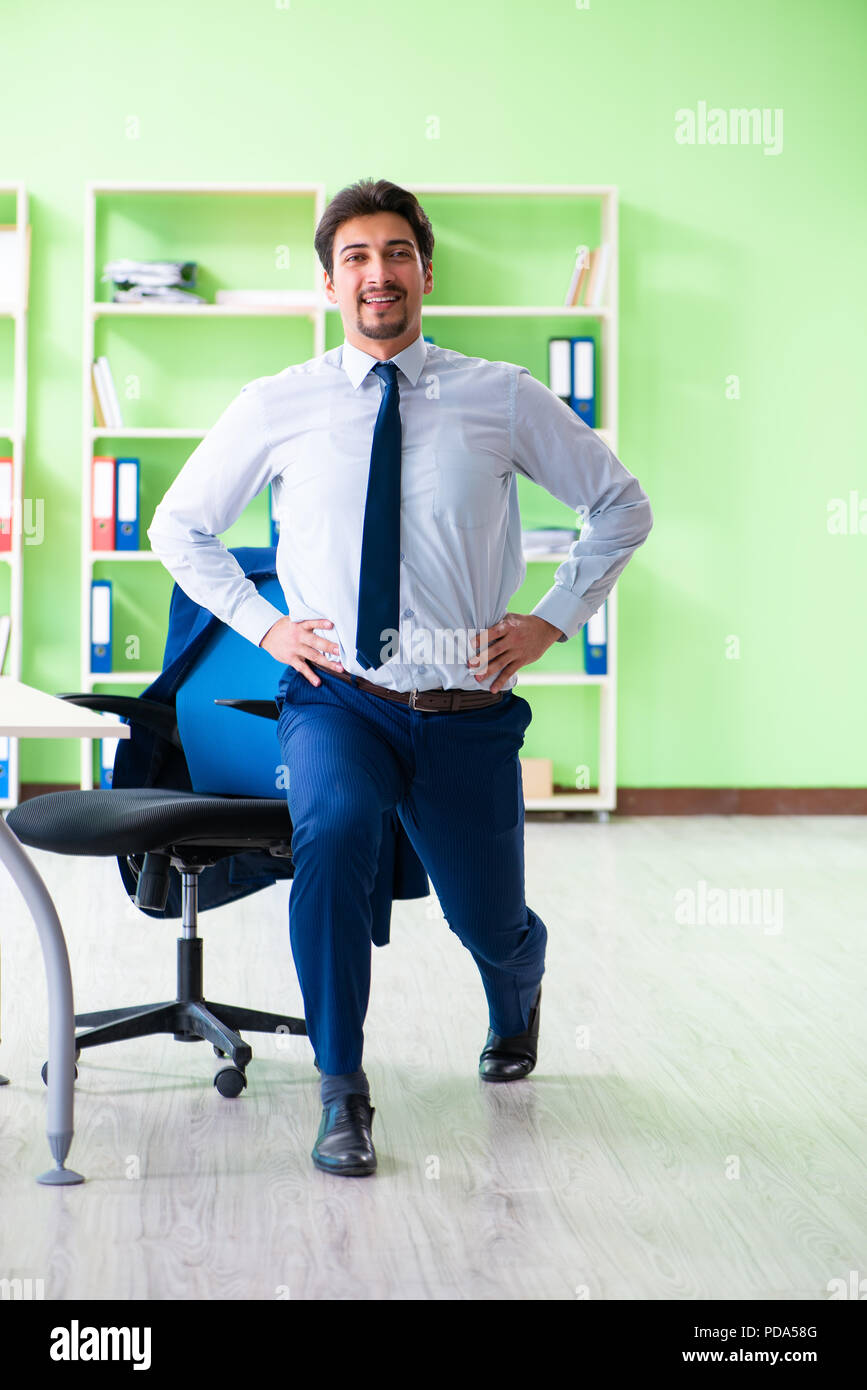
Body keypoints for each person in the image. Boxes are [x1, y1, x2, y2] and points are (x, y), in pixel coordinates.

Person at [147, 177, 653, 1178]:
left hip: (463, 709)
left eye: (396, 254)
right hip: (339, 701)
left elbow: (619, 505)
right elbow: (179, 526)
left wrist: (551, 619)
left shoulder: (499, 396)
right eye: (356, 258)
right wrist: (263, 624)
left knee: (489, 921)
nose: (378, 275)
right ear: (330, 279)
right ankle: (343, 1091)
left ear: (426, 269)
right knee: (328, 832)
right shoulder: (277, 405)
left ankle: (519, 989)